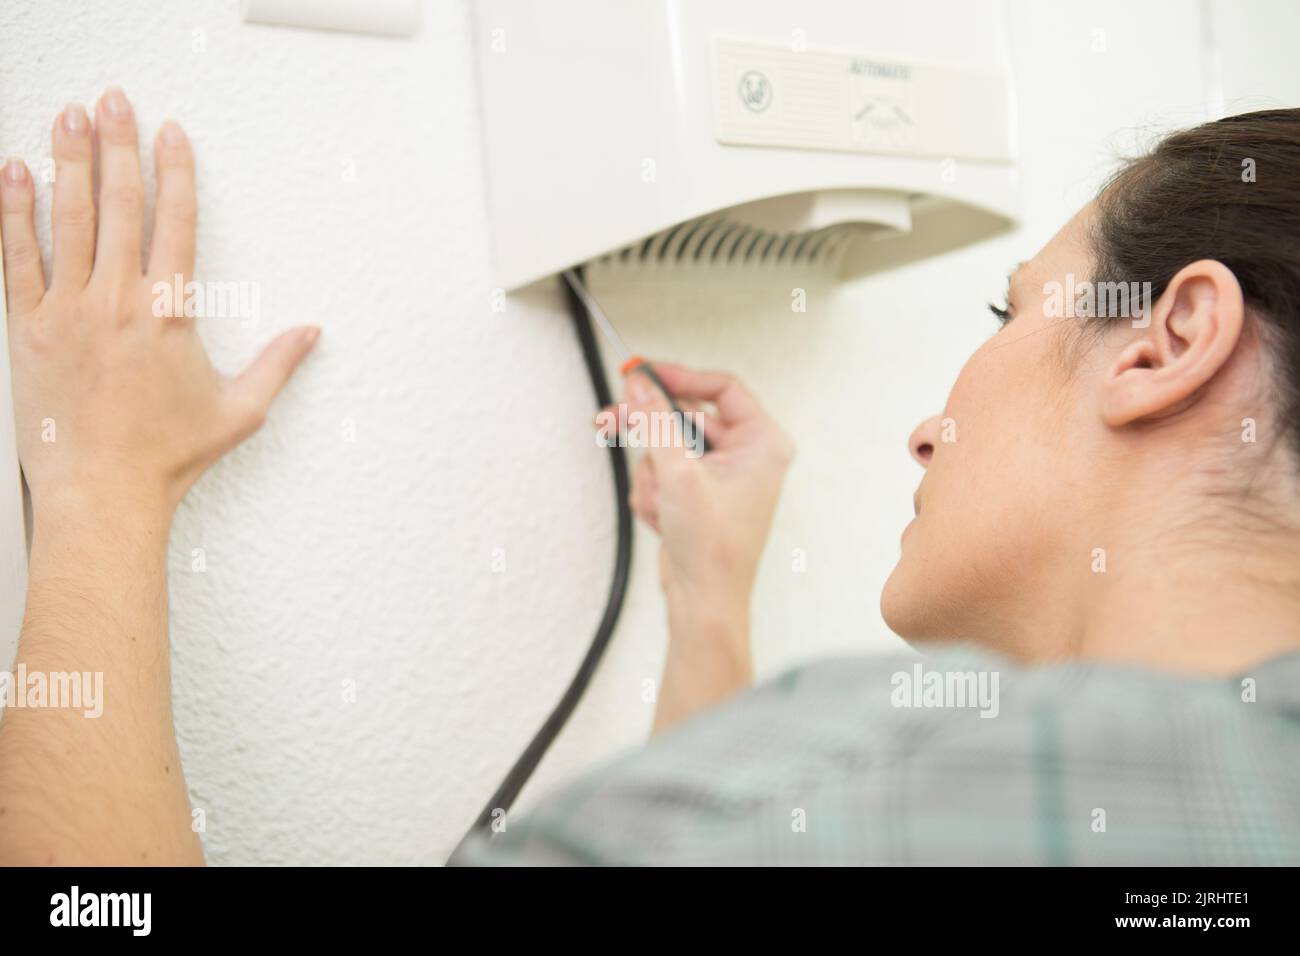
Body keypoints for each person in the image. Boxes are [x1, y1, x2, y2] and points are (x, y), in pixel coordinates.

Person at [2, 90, 1298, 865]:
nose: (924, 430)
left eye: (1003, 314)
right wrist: (712, 605)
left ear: (1169, 341)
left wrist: (100, 486)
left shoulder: (884, 765)